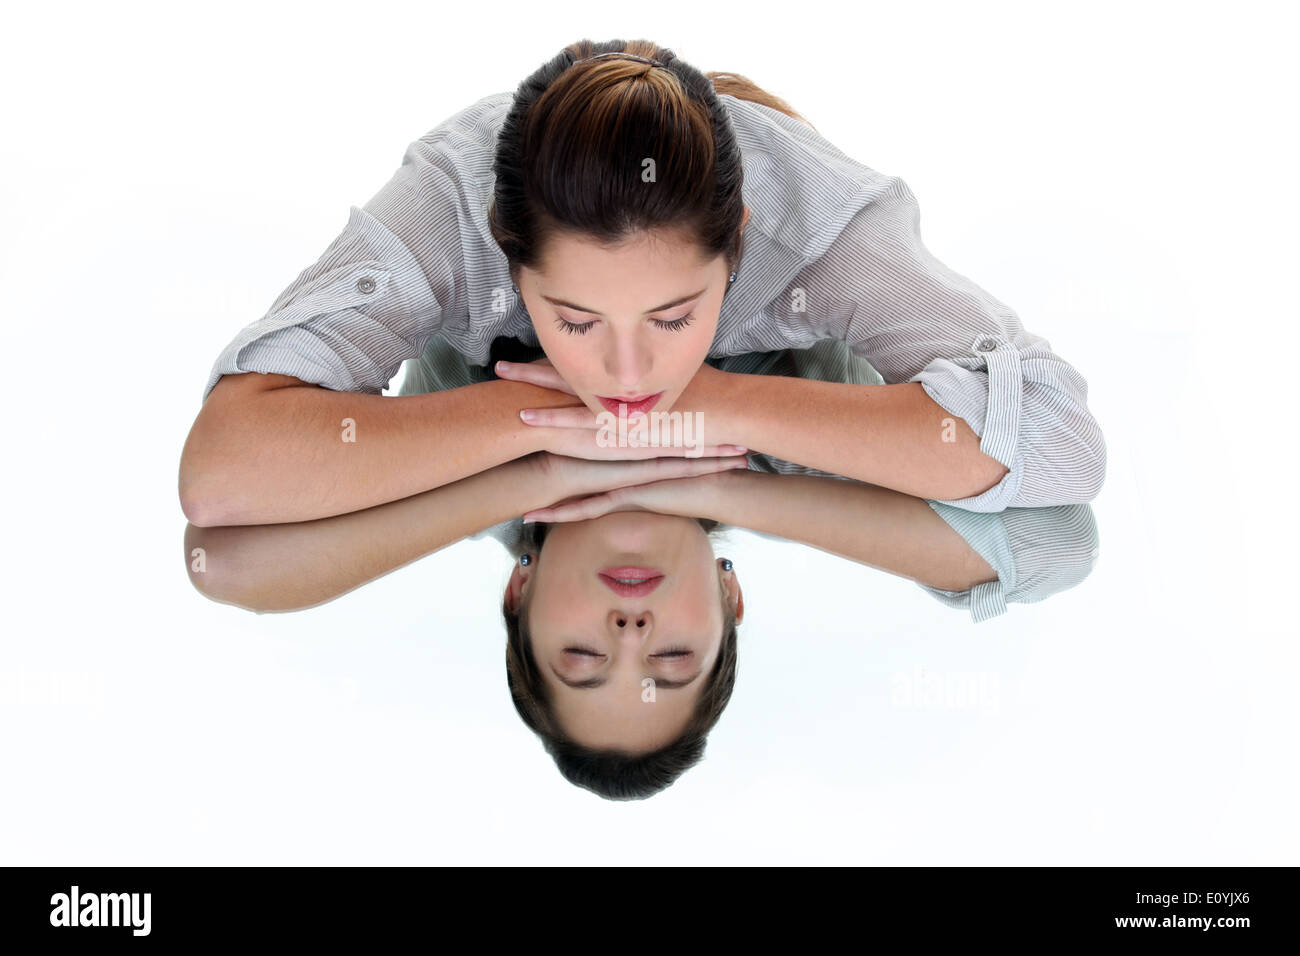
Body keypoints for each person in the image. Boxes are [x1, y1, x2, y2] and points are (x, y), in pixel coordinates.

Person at [180, 37, 1105, 531]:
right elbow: (223, 473)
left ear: (737, 249)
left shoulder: (817, 221)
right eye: (576, 322)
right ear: (509, 256)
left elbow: (1062, 446)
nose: (627, 372)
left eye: (674, 316)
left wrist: (719, 404)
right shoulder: (451, 199)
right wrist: (547, 424)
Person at [185, 333, 1100, 800]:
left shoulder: (441, 440)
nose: (630, 636)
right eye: (672, 662)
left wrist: (538, 470)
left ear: (522, 589)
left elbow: (221, 556)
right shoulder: (817, 455)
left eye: (581, 658)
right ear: (729, 599)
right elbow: (1057, 541)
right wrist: (716, 472)